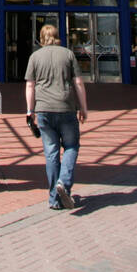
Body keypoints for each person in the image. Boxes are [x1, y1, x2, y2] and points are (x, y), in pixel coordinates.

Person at [25, 23, 88, 211]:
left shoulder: (35, 57)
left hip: (43, 109)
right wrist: (83, 108)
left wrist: (30, 111)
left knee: (51, 153)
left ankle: (54, 198)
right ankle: (64, 182)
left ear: (41, 38)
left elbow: (30, 85)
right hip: (66, 107)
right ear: (57, 36)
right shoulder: (68, 54)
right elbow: (78, 82)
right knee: (71, 146)